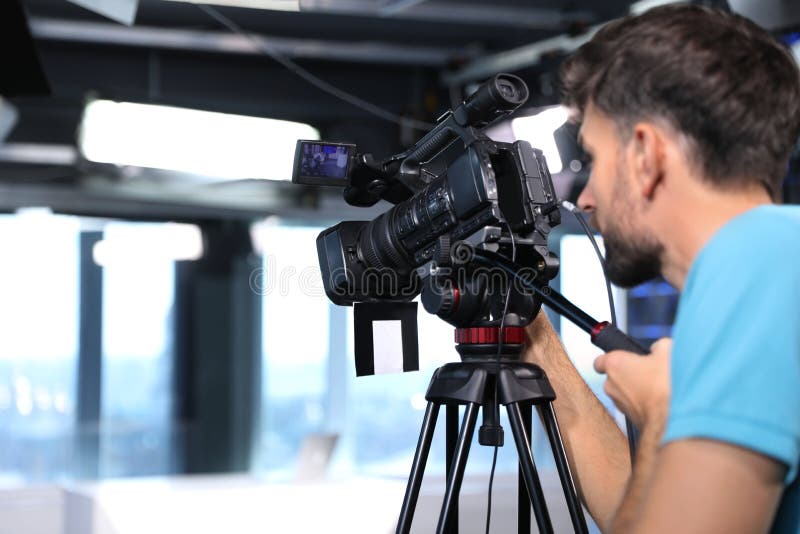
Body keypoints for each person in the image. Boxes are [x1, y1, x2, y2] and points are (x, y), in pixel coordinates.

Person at [523, 5, 800, 533]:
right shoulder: (774, 260)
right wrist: (534, 341)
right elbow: (665, 509)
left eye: (595, 160)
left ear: (645, 156)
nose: (585, 199)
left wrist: (661, 421)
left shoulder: (757, 258)